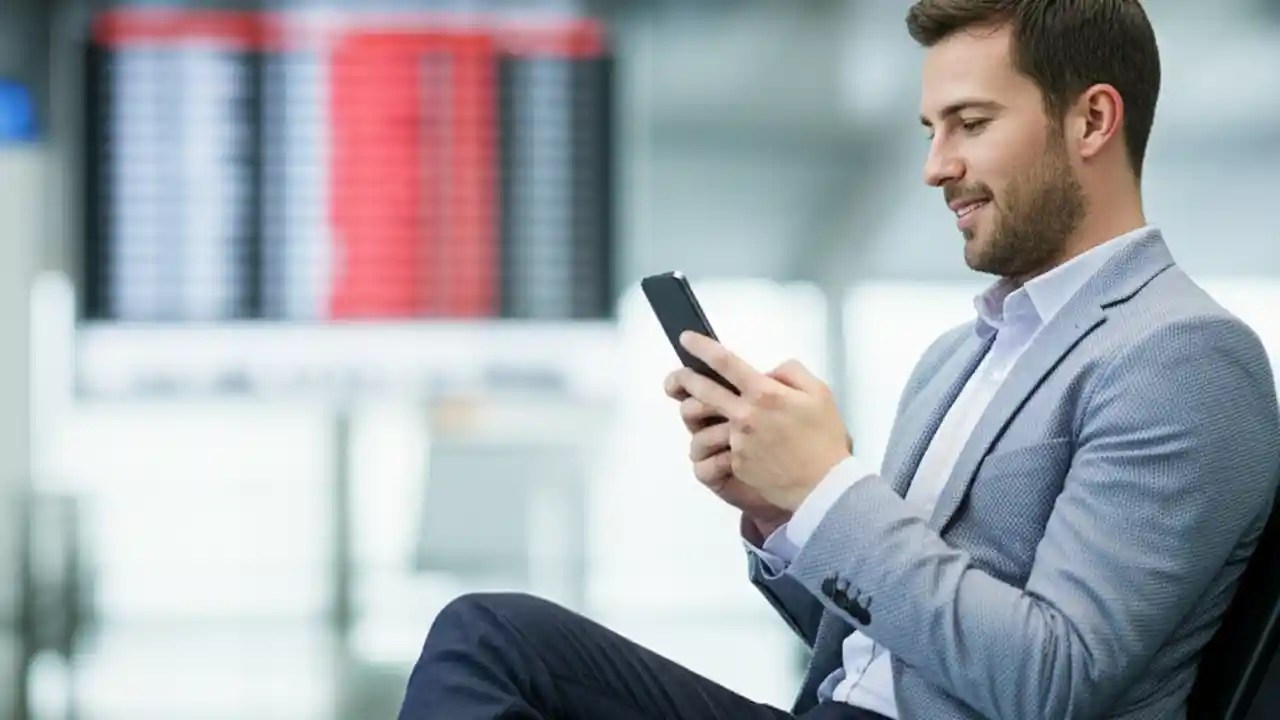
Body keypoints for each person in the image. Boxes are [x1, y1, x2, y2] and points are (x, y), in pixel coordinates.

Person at [397, 0, 1280, 717]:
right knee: (491, 642)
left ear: (1093, 118)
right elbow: (879, 632)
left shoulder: (1183, 357)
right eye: (932, 128)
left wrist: (829, 491)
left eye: (969, 124)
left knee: (490, 642)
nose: (937, 167)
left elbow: (1053, 681)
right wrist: (784, 514)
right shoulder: (956, 358)